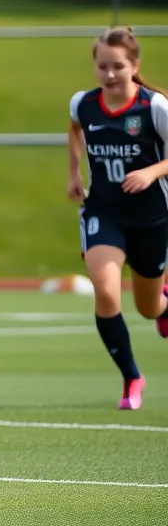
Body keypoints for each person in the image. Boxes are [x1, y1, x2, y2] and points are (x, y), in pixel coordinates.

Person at [68, 27, 168, 410]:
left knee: (148, 307)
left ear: (135, 66)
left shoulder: (154, 107)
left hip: (150, 217)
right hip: (103, 212)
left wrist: (152, 172)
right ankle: (131, 377)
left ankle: (164, 305)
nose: (110, 75)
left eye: (118, 67)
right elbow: (75, 129)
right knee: (107, 291)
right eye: (103, 66)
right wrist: (74, 172)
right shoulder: (83, 104)